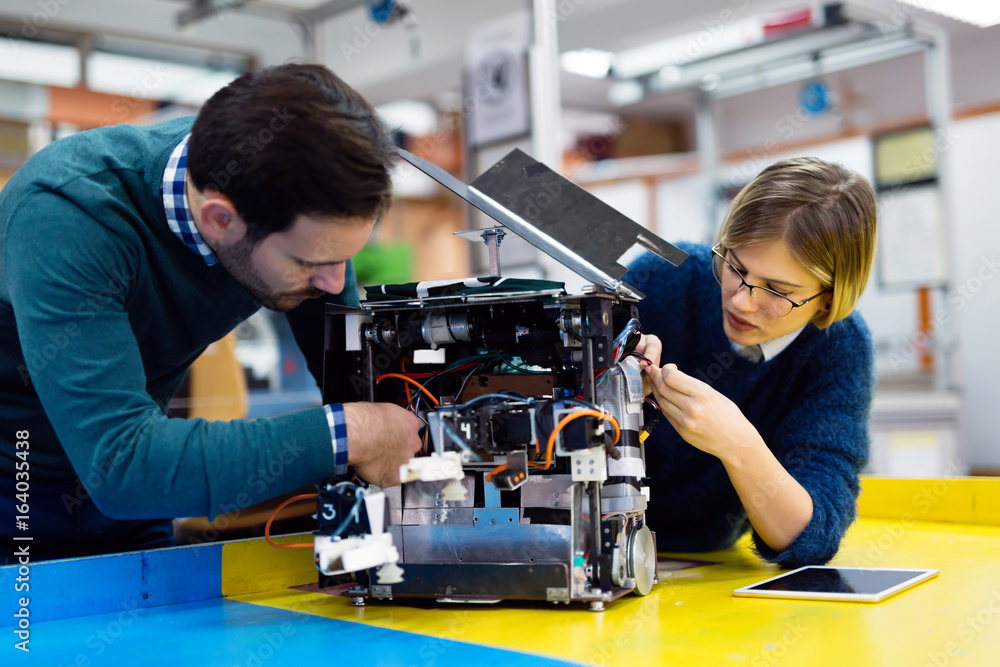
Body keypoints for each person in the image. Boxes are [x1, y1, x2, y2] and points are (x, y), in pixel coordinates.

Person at [0, 63, 422, 561]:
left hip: (139, 495)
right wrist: (350, 433)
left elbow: (362, 394)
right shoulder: (69, 215)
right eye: (310, 262)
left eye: (343, 257)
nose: (335, 283)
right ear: (220, 220)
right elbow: (122, 465)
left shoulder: (294, 211)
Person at [631, 157, 877, 567]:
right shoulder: (662, 278)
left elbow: (811, 533)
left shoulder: (839, 348)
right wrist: (611, 379)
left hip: (710, 567)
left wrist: (736, 442)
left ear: (830, 297)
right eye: (736, 268)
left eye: (778, 291)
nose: (743, 302)